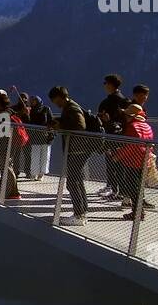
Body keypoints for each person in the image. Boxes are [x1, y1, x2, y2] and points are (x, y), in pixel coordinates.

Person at [49, 86, 88, 226]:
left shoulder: (72, 108)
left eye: (55, 100)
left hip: (77, 150)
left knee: (72, 182)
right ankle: (82, 212)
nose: (55, 103)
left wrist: (61, 127)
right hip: (78, 150)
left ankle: (79, 215)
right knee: (77, 180)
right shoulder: (70, 108)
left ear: (60, 97)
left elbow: (80, 126)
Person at [113, 104, 154, 221]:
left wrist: (117, 156)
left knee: (132, 187)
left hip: (133, 161)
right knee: (139, 187)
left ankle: (137, 212)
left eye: (126, 115)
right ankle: (138, 211)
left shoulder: (132, 126)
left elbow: (130, 146)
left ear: (130, 116)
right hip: (145, 160)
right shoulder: (147, 126)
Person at [96, 74, 129, 199]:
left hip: (110, 136)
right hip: (123, 137)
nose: (104, 85)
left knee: (112, 164)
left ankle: (114, 189)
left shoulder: (107, 102)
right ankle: (119, 190)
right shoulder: (125, 101)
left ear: (110, 84)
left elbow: (100, 120)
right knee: (121, 165)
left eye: (105, 83)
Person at [26, 94, 54, 181]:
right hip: (35, 136)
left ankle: (42, 173)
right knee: (35, 155)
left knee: (45, 155)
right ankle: (34, 173)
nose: (33, 102)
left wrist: (51, 133)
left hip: (45, 136)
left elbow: (51, 121)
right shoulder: (30, 110)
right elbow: (29, 122)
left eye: (34, 101)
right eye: (32, 101)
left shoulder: (46, 109)